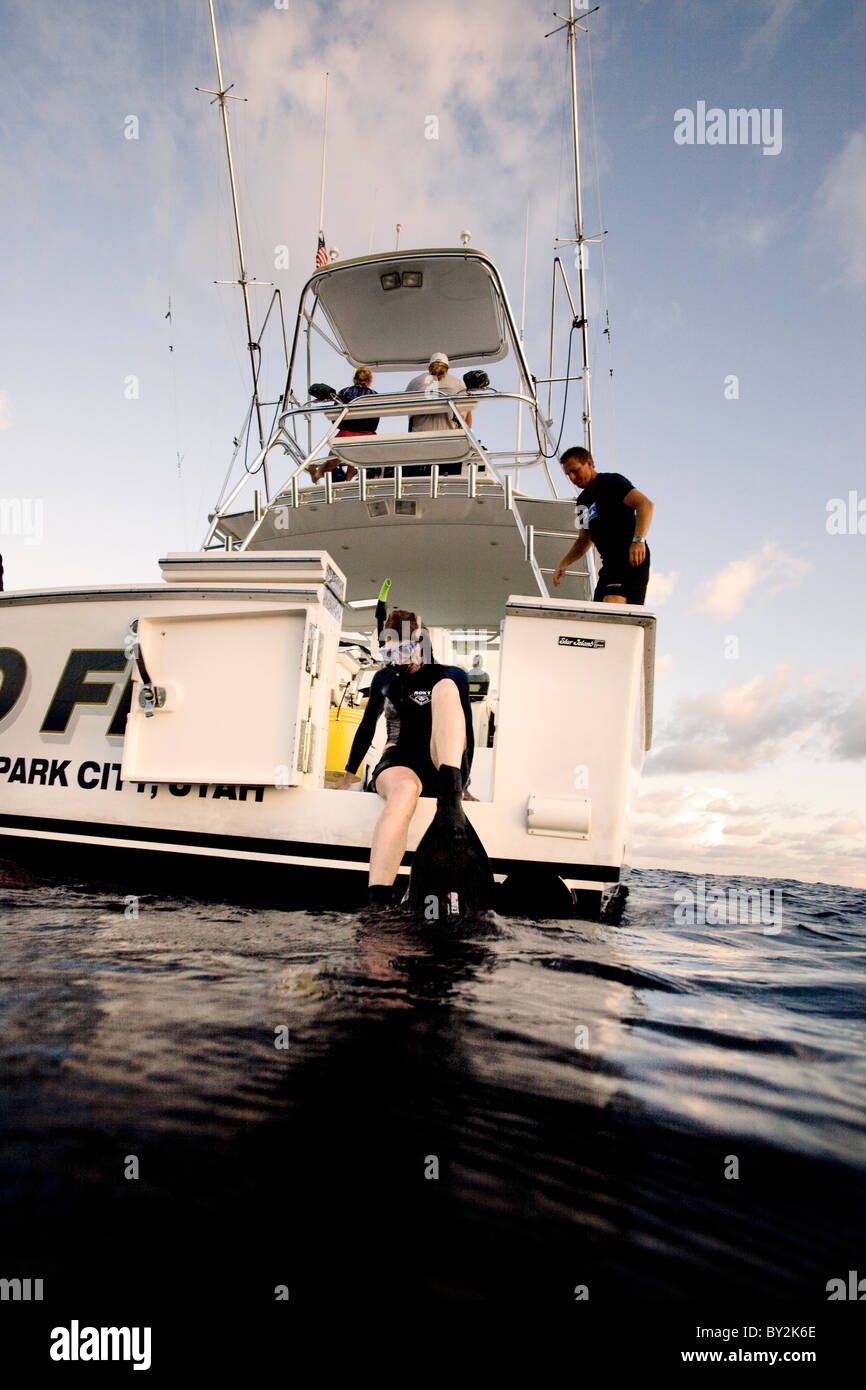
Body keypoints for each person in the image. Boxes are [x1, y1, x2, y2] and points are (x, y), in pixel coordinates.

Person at [333, 608, 475, 906]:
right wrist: (349, 775)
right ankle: (378, 900)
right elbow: (366, 727)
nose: (397, 660)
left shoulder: (449, 675)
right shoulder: (383, 680)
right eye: (389, 652)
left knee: (447, 688)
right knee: (406, 791)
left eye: (404, 650)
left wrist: (464, 782)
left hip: (440, 763)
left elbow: (467, 733)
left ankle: (452, 797)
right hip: (398, 763)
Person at [552, 446, 654, 605]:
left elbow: (645, 504)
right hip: (609, 565)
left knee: (613, 603)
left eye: (575, 471)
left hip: (629, 558)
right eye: (568, 474)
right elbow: (584, 540)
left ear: (589, 464)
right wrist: (564, 563)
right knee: (598, 614)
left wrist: (638, 540)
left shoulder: (612, 482)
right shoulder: (582, 502)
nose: (572, 477)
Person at [308, 366, 379, 484]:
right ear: (369, 381)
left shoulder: (345, 391)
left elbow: (336, 417)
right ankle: (351, 469)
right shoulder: (374, 395)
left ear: (355, 379)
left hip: (347, 434)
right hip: (368, 435)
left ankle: (315, 475)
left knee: (332, 462)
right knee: (358, 449)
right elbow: (376, 419)